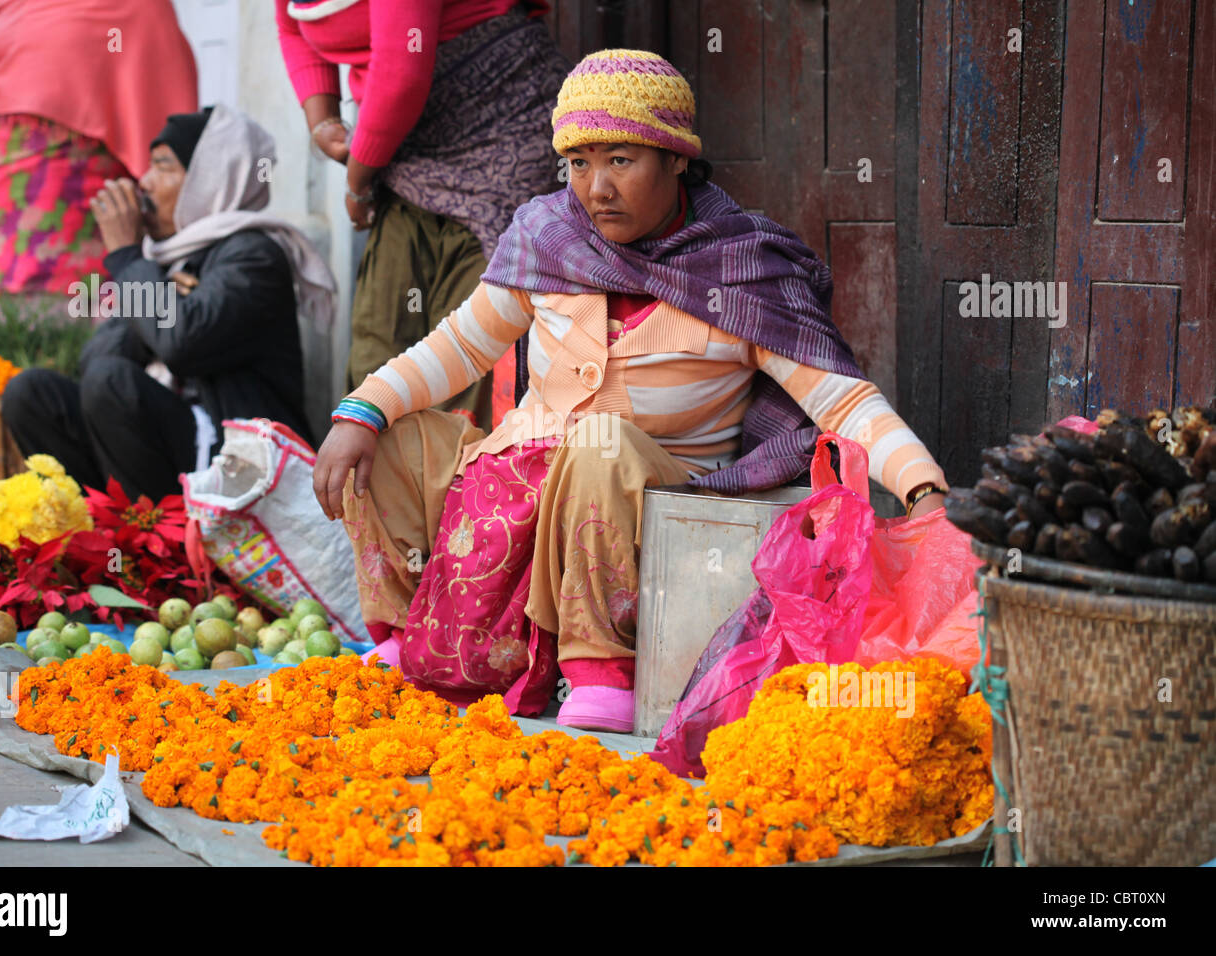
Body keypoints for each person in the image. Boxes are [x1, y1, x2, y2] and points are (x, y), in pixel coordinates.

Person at [311, 50, 950, 733]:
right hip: (513, 481)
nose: (596, 188)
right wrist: (362, 411)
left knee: (600, 440)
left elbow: (843, 403)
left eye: (621, 160)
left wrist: (923, 489)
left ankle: (601, 668)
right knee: (388, 437)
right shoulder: (548, 238)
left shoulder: (741, 270)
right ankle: (409, 641)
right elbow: (458, 347)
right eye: (579, 163)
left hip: (652, 496)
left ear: (677, 159)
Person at [2, 105, 335, 501]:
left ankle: (155, 541)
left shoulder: (253, 256)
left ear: (208, 180)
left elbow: (182, 344)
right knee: (31, 393)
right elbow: (93, 362)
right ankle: (102, 535)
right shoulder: (159, 260)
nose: (143, 182)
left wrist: (128, 259)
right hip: (166, 448)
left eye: (162, 167)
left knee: (112, 382)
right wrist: (151, 294)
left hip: (233, 459)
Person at [275, 0, 572, 430]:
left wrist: (358, 183)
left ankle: (468, 491)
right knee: (378, 350)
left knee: (474, 351)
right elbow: (291, 27)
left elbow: (401, 71)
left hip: (501, 132)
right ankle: (374, 491)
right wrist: (322, 122)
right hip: (404, 150)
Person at [0, 0, 198, 326]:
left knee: (89, 347)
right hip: (9, 234)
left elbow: (171, 143)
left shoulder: (134, 9)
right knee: (7, 352)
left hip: (89, 239)